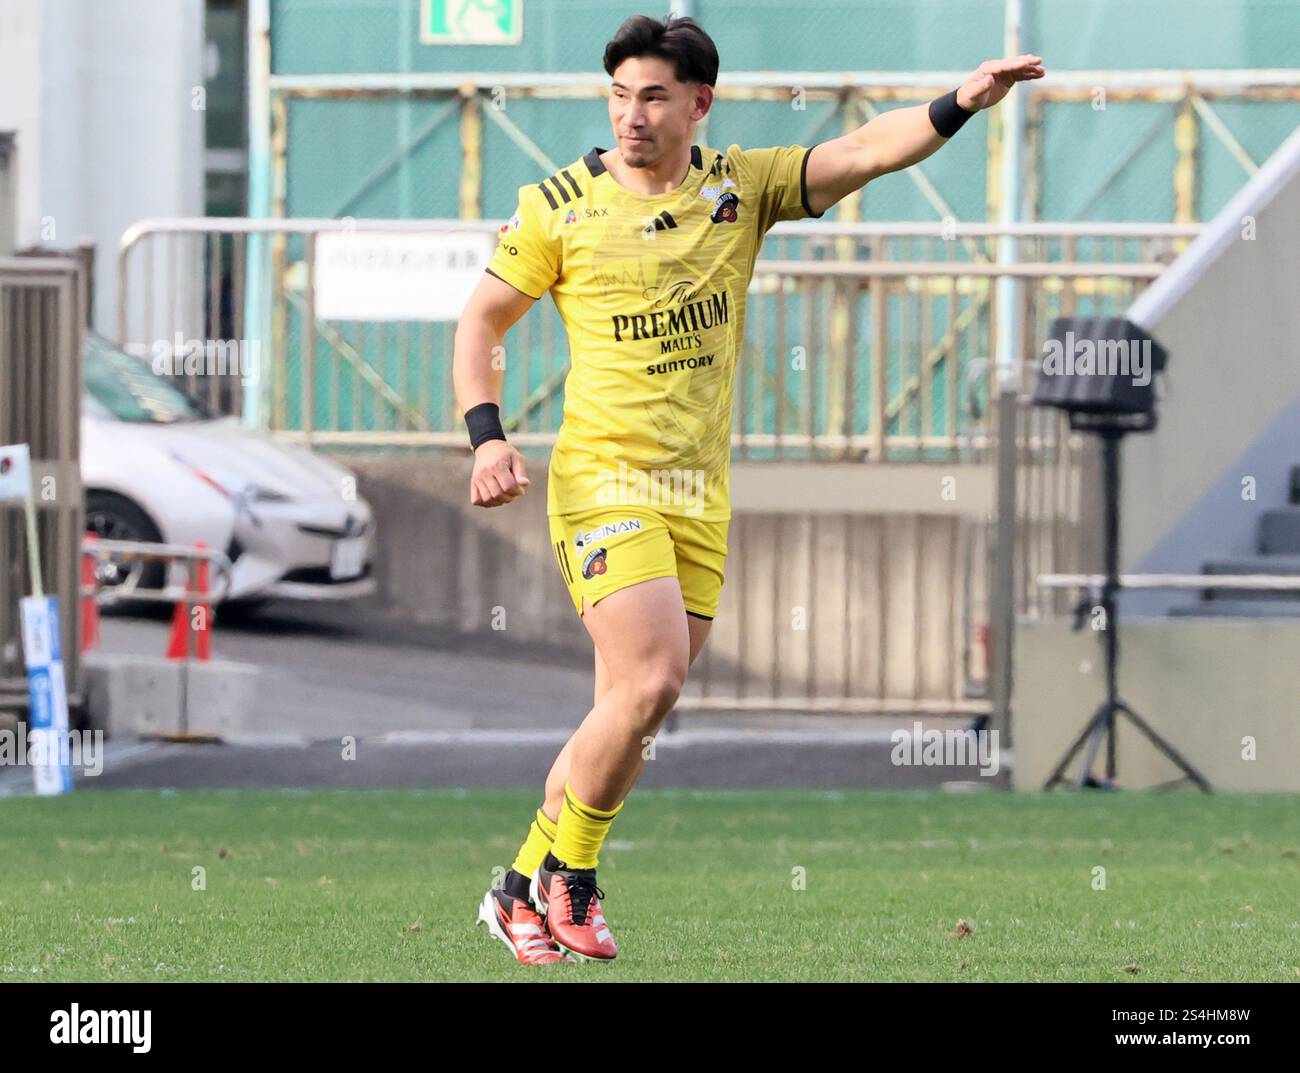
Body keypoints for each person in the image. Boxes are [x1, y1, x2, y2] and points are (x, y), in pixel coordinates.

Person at [454, 12, 1044, 964]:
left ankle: (518, 884)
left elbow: (863, 151)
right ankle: (574, 877)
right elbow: (481, 320)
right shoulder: (557, 204)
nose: (632, 115)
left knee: (631, 711)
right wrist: (487, 437)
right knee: (653, 679)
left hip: (697, 492)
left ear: (699, 103)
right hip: (603, 481)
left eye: (653, 96)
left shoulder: (739, 187)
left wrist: (962, 102)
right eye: (619, 95)